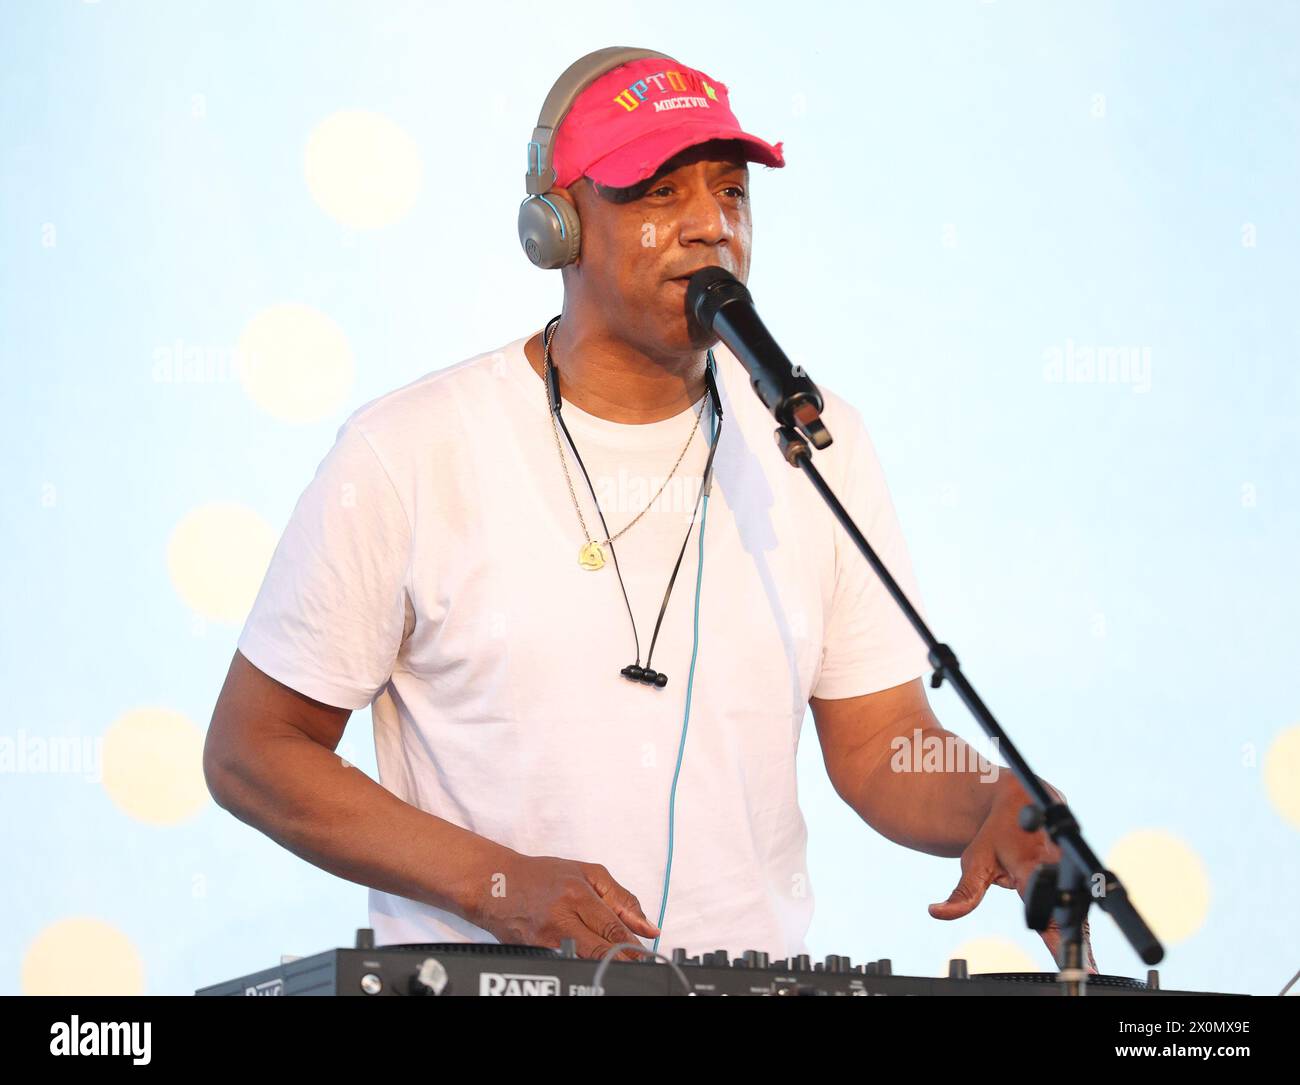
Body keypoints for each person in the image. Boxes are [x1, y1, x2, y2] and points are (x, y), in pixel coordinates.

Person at [204, 47, 1094, 968]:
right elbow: (254, 750)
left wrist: (990, 797)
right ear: (557, 226)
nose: (710, 225)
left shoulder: (810, 441)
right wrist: (498, 882)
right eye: (657, 192)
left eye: (730, 192)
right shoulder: (408, 453)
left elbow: (881, 743)